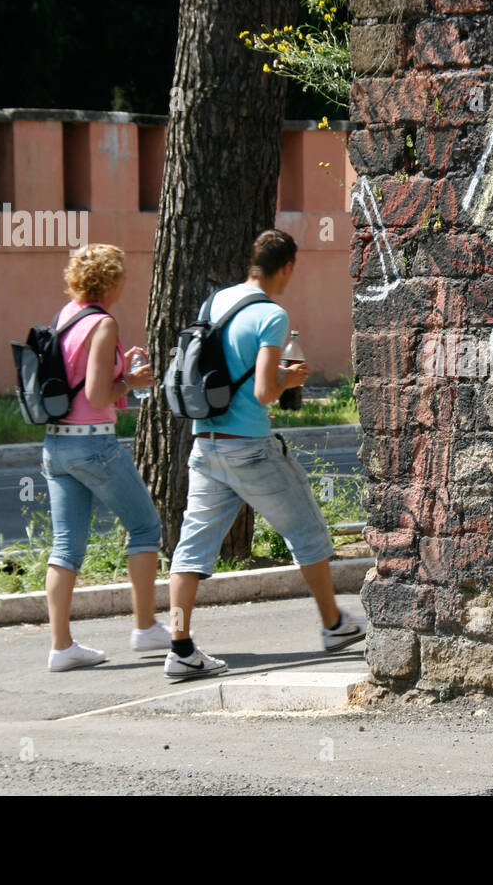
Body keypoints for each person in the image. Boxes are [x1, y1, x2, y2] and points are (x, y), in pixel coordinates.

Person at [165, 229, 366, 678]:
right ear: (287, 267)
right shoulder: (272, 316)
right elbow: (262, 391)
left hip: (205, 444)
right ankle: (334, 623)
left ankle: (179, 647)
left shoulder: (214, 302)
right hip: (250, 448)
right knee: (308, 529)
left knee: (190, 552)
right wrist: (290, 380)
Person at [42, 243, 173, 671]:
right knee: (145, 526)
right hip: (94, 443)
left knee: (66, 547)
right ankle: (145, 626)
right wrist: (131, 381)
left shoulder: (66, 317)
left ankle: (61, 648)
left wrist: (123, 370)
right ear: (112, 280)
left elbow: (79, 378)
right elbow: (99, 394)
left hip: (57, 444)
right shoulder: (103, 324)